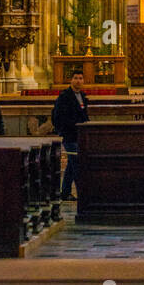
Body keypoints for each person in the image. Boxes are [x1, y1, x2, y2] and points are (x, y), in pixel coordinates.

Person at [52, 70, 90, 200]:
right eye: (76, 78)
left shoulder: (83, 96)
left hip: (80, 135)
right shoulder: (65, 96)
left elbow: (84, 115)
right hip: (69, 135)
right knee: (77, 164)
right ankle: (84, 193)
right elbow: (57, 116)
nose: (78, 81)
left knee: (71, 165)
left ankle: (65, 192)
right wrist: (62, 130)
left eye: (80, 78)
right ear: (71, 80)